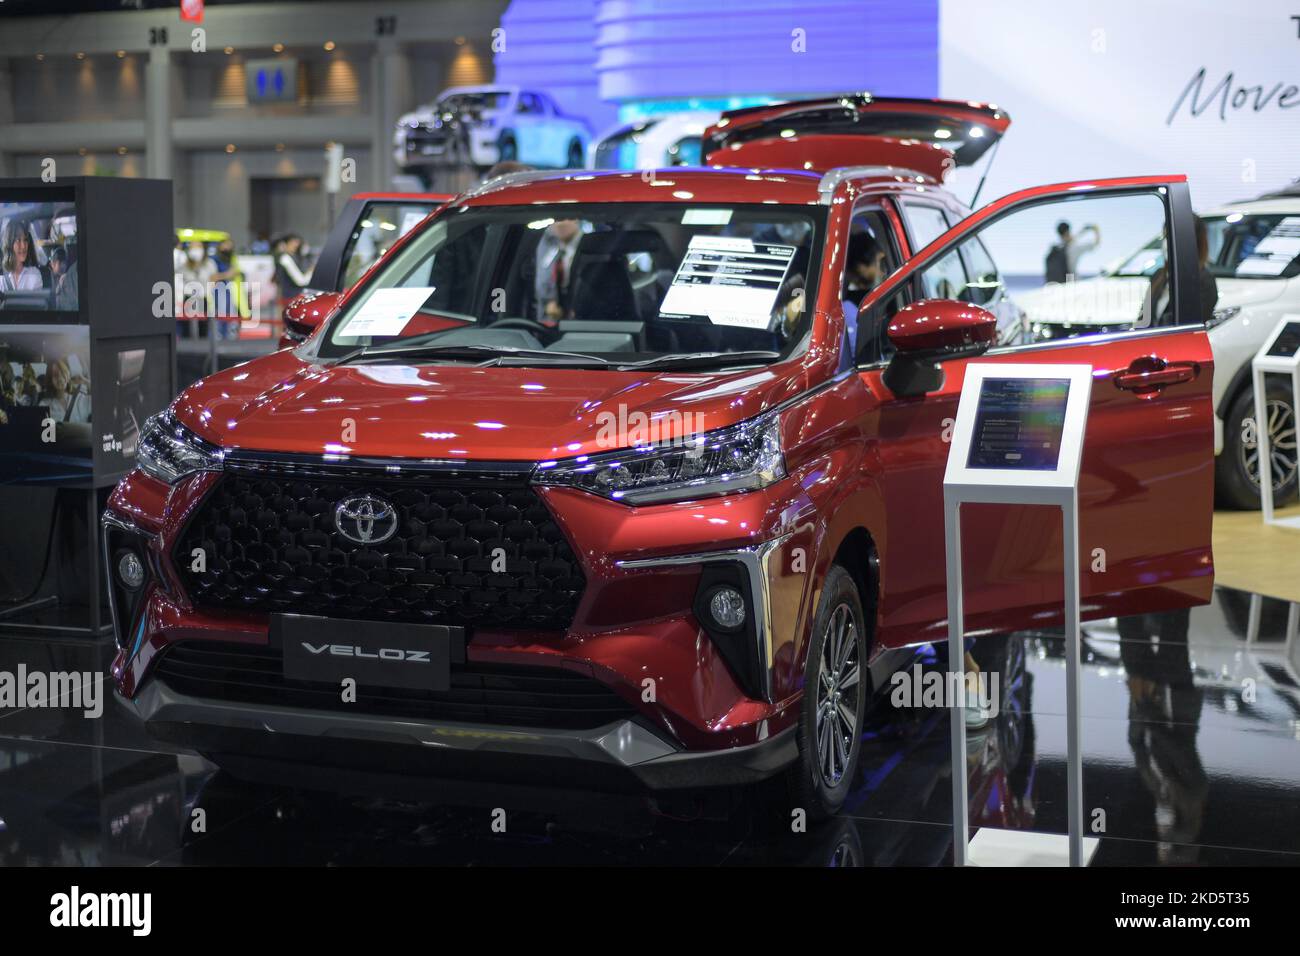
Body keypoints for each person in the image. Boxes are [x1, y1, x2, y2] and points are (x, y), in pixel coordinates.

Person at [534, 219, 582, 326]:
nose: (560, 224)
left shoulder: (588, 247)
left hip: (583, 320)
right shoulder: (547, 245)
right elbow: (542, 277)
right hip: (552, 320)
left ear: (576, 220)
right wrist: (549, 301)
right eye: (556, 220)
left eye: (565, 218)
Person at [179, 240, 217, 337]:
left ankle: (203, 349)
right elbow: (180, 280)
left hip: (203, 298)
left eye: (198, 247)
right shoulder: (183, 265)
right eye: (193, 247)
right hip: (189, 298)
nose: (196, 250)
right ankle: (187, 349)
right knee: (186, 327)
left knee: (203, 326)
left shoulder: (210, 264)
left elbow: (213, 280)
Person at [209, 238, 242, 340]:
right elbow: (212, 277)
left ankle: (230, 338)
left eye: (230, 245)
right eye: (225, 244)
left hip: (232, 292)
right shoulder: (214, 260)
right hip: (218, 291)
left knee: (231, 318)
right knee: (219, 317)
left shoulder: (233, 260)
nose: (228, 247)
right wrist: (227, 274)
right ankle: (217, 339)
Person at [0, 219, 44, 294]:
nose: (23, 246)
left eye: (25, 240)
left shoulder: (34, 274)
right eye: (18, 240)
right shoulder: (2, 278)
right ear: (9, 244)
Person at [42, 357, 90, 424]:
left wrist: (86, 382)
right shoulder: (44, 404)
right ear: (50, 381)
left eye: (62, 372)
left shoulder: (81, 399)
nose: (60, 378)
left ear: (68, 374)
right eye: (55, 375)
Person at [274, 234, 312, 313]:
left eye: (298, 243)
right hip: (291, 298)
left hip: (296, 297)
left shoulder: (296, 257)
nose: (296, 245)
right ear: (286, 244)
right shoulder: (285, 259)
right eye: (293, 242)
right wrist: (311, 271)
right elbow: (301, 281)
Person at [48, 246, 79, 312]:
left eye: (64, 263)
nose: (63, 266)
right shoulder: (48, 277)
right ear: (52, 264)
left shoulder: (68, 276)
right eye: (59, 263)